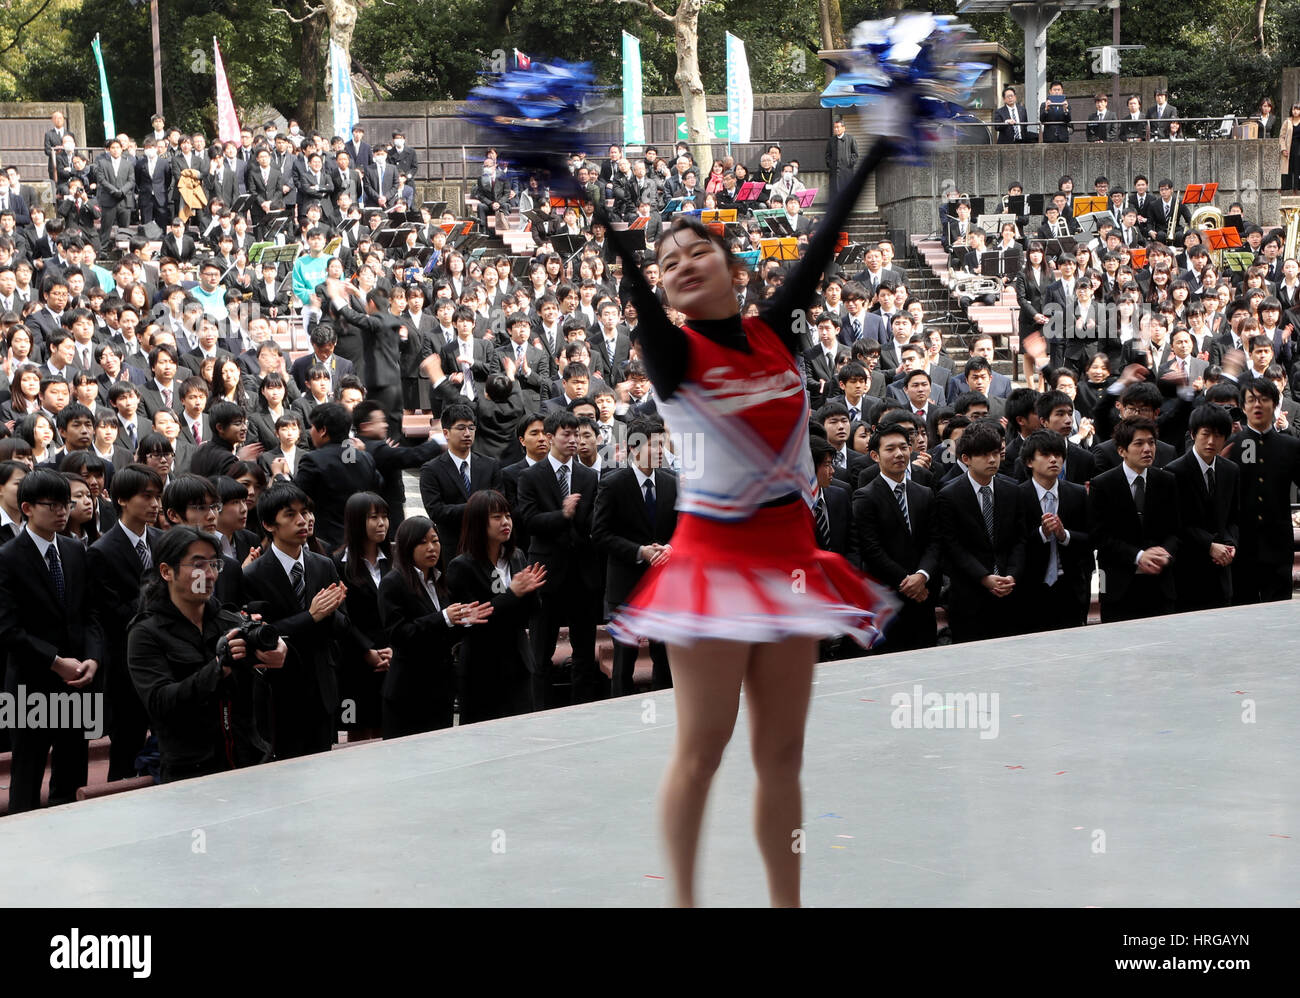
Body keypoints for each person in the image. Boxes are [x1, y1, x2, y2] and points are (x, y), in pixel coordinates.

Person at [595, 133, 889, 908]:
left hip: (792, 562)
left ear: (734, 266)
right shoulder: (672, 353)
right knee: (703, 750)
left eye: (699, 250)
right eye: (669, 262)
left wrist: (876, 148)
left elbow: (824, 242)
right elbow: (627, 270)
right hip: (710, 567)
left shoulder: (776, 329)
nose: (684, 263)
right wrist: (568, 176)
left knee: (783, 755)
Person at [126, 526, 287, 782]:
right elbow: (159, 702)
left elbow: (273, 662)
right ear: (167, 571)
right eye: (198, 565)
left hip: (247, 760)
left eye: (214, 564)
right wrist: (216, 669)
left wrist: (279, 649)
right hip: (190, 771)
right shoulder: (146, 633)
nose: (210, 574)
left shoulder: (229, 621)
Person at [242, 483, 382, 759]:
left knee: (321, 764)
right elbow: (262, 634)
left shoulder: (323, 564)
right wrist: (311, 615)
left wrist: (360, 641)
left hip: (321, 685)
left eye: (305, 512)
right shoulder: (253, 574)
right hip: (279, 690)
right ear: (270, 524)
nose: (302, 520)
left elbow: (339, 623)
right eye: (290, 514)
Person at [0, 468, 105, 811]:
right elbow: (7, 630)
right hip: (30, 683)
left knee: (73, 771)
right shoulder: (8, 557)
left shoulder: (76, 551)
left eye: (66, 503)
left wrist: (92, 657)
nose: (63, 511)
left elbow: (90, 613)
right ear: (27, 507)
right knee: (27, 775)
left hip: (76, 680)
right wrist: (55, 662)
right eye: (53, 505)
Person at [514, 409, 604, 709]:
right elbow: (528, 521)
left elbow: (593, 522)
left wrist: (579, 519)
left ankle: (583, 710)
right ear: (550, 437)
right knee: (541, 653)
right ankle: (540, 712)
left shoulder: (589, 476)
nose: (574, 440)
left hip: (582, 574)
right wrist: (562, 514)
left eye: (578, 434)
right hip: (546, 573)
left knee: (583, 654)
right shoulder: (529, 476)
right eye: (567, 434)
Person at [86, 463, 164, 781]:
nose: (155, 504)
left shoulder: (162, 541)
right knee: (125, 751)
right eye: (146, 497)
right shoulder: (101, 552)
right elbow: (111, 614)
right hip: (125, 666)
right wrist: (157, 601)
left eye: (158, 497)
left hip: (165, 663)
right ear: (121, 499)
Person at [376, 516, 486, 737]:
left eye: (435, 541)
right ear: (407, 546)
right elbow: (399, 635)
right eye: (422, 542)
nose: (431, 548)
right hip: (408, 690)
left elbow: (443, 633)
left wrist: (463, 622)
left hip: (440, 688)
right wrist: (444, 617)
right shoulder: (393, 583)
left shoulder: (439, 581)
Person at [591, 416, 677, 696]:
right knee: (624, 661)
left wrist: (672, 549)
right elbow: (600, 534)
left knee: (664, 657)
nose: (661, 450)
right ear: (634, 448)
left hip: (662, 586)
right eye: (654, 445)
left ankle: (665, 714)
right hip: (626, 585)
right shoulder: (613, 484)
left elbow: (683, 528)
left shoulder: (671, 481)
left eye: (662, 444)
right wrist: (639, 552)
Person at [444, 492, 547, 722]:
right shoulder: (462, 566)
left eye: (508, 516)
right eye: (497, 517)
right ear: (479, 522)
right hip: (483, 667)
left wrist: (530, 592)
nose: (505, 522)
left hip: (518, 661)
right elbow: (474, 619)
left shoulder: (517, 556)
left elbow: (530, 612)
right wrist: (512, 594)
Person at [853, 420, 939, 652]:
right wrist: (908, 582)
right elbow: (872, 550)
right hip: (889, 597)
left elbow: (934, 542)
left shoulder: (924, 493)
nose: (899, 454)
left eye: (903, 447)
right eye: (890, 449)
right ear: (874, 455)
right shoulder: (865, 497)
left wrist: (921, 576)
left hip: (924, 595)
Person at [936, 420, 1024, 642]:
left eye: (995, 453)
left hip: (1010, 591)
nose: (992, 460)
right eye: (984, 455)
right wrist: (984, 577)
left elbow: (1020, 539)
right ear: (966, 459)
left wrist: (1011, 575)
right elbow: (952, 546)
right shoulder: (949, 495)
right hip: (969, 594)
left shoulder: (1012, 489)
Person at [1088, 417, 1180, 623]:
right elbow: (1099, 536)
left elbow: (1175, 530)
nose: (1147, 449)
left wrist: (1165, 553)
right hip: (1119, 587)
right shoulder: (1102, 484)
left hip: (1160, 585)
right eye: (1139, 443)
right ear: (1122, 450)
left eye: (1151, 442)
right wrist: (1138, 556)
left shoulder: (1166, 480)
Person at [1225, 379, 1300, 603]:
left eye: (1264, 400)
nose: (1258, 405)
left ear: (1275, 404)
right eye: (1251, 400)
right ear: (1244, 406)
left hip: (1278, 543)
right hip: (1242, 544)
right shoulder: (1233, 445)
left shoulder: (1290, 446)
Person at [333, 491, 394, 740]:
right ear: (357, 521)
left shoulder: (394, 559)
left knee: (387, 727)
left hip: (392, 655)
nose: (381, 523)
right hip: (356, 659)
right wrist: (366, 650)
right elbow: (340, 615)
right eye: (373, 517)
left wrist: (394, 648)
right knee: (359, 732)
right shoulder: (338, 563)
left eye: (385, 516)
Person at [1016, 429, 1092, 631]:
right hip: (1031, 589)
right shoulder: (1017, 496)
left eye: (1058, 455)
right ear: (1029, 461)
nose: (1054, 460)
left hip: (1069, 587)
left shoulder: (1076, 493)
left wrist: (1063, 535)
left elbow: (1090, 538)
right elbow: (1014, 542)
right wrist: (1042, 533)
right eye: (1046, 455)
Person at [1168, 404, 1239, 612]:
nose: (1211, 442)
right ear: (1193, 434)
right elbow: (1175, 523)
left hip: (1222, 572)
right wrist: (1209, 545)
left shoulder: (1231, 470)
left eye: (1218, 436)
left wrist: (1230, 544)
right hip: (1188, 572)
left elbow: (1234, 517)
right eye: (1205, 434)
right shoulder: (1174, 472)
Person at [293, 402, 380, 552]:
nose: (310, 431)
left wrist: (279, 476)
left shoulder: (313, 460)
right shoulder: (365, 457)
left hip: (327, 544)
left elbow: (295, 497)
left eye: (313, 426)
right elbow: (378, 485)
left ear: (323, 431)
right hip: (363, 541)